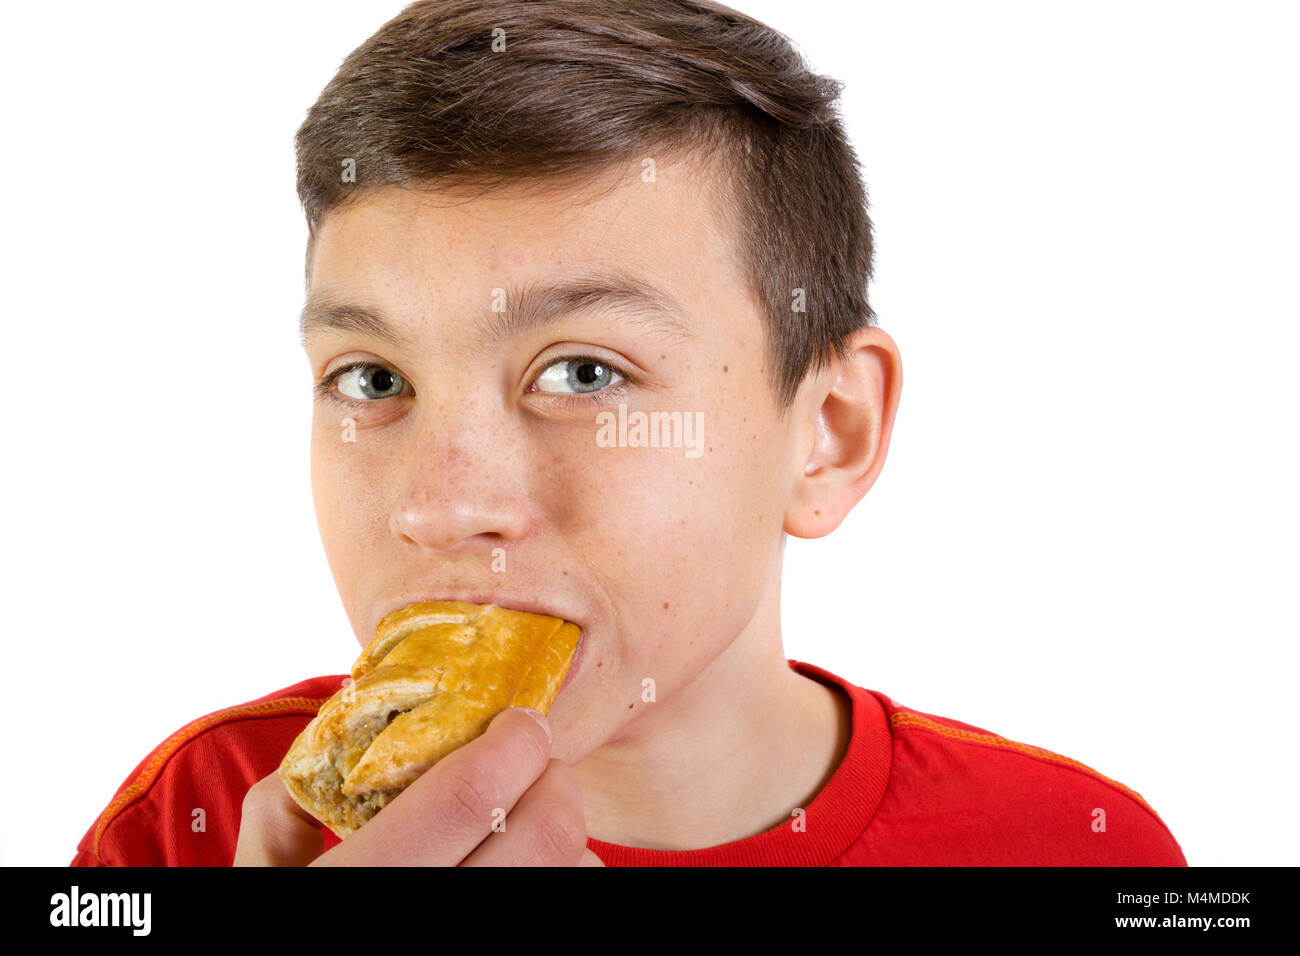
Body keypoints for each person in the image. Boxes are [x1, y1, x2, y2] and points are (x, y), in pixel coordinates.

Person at [71, 0, 1186, 867]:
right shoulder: (190, 822)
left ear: (829, 434)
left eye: (584, 370)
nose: (441, 502)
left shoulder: (1080, 843)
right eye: (373, 377)